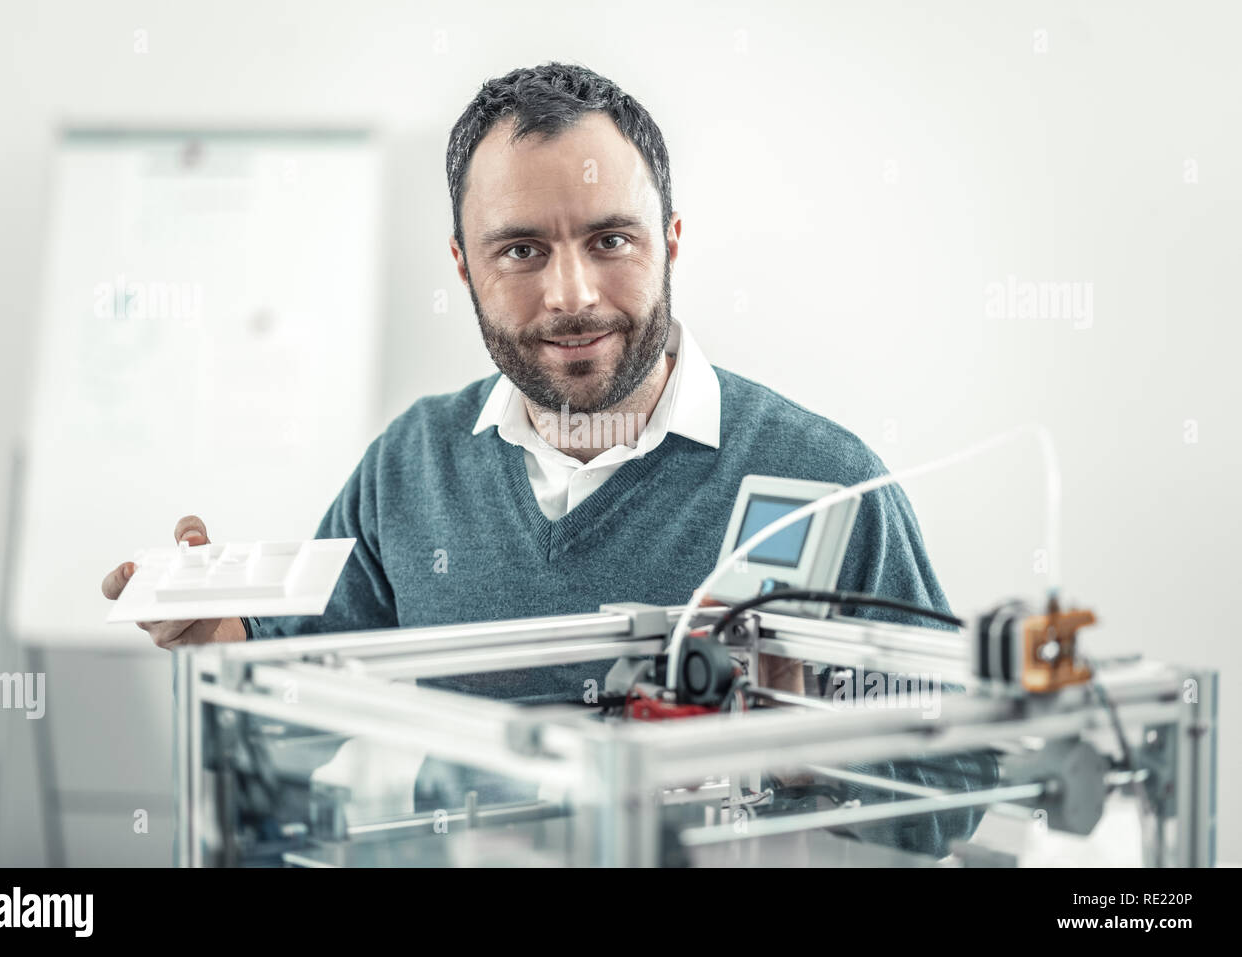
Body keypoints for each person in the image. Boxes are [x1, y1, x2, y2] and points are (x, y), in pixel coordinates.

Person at [102, 62, 996, 860]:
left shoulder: (827, 482)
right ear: (463, 266)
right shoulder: (411, 466)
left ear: (671, 241)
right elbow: (296, 698)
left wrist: (808, 751)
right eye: (522, 250)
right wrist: (222, 641)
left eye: (610, 240)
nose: (571, 294)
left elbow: (964, 782)